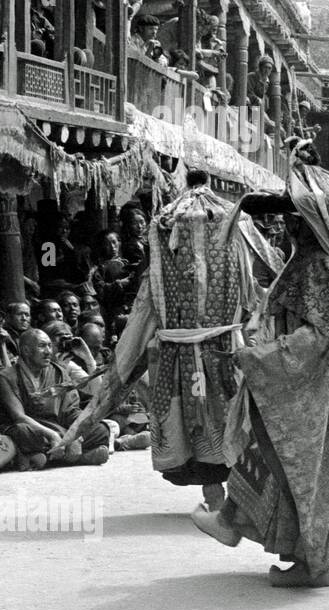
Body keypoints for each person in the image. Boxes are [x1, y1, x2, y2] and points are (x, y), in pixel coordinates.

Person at [190, 149, 329, 588]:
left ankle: (310, 563)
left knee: (305, 476)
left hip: (316, 388)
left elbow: (317, 336)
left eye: (294, 217)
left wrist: (258, 357)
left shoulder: (316, 266)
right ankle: (236, 523)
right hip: (316, 384)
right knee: (273, 460)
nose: (286, 225)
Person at [58, 170, 280, 508]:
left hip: (192, 354)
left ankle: (223, 499)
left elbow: (141, 323)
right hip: (217, 351)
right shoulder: (224, 257)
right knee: (217, 423)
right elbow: (255, 302)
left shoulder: (160, 271)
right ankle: (222, 499)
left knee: (210, 423)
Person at [0, 330, 112, 470]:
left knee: (101, 429)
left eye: (49, 346)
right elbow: (19, 417)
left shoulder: (58, 372)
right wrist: (53, 435)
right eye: (42, 346)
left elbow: (71, 411)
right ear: (26, 350)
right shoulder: (7, 377)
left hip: (59, 429)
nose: (48, 351)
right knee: (21, 432)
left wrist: (75, 435)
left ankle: (41, 458)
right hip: (34, 429)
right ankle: (76, 458)